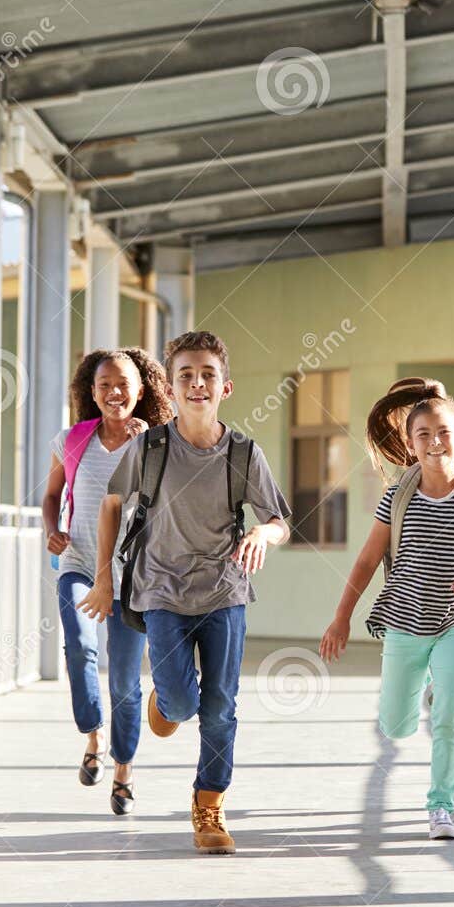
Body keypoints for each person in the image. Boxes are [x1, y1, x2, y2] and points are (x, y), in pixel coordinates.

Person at [79, 331, 290, 854]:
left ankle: (209, 804)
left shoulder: (243, 452)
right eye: (186, 376)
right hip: (160, 591)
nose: (197, 384)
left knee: (220, 707)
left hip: (224, 591)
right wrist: (103, 577)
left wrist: (261, 534)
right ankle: (168, 702)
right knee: (180, 700)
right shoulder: (148, 447)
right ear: (171, 389)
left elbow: (279, 521)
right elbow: (111, 504)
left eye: (207, 375)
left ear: (225, 387)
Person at [320, 378, 454, 841]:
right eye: (423, 433)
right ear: (410, 444)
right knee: (396, 723)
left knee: (449, 715)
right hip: (404, 621)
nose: (435, 441)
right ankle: (426, 686)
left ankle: (441, 808)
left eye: (444, 432)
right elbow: (367, 560)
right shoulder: (397, 497)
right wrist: (342, 617)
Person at [41, 347, 172, 814]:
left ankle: (124, 769)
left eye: (123, 385)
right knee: (80, 646)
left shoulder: (160, 443)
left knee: (124, 679)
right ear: (91, 392)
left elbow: (169, 504)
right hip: (78, 561)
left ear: (141, 391)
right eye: (104, 386)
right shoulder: (72, 440)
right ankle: (92, 734)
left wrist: (149, 447)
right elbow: (52, 495)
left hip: (134, 575)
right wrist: (52, 530)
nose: (114, 392)